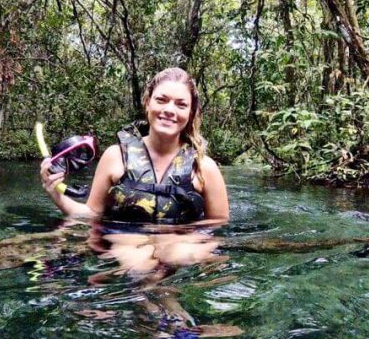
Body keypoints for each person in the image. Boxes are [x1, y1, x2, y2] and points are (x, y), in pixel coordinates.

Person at [40, 67, 229, 224]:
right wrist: (55, 193)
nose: (169, 110)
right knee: (137, 258)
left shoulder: (205, 167)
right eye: (161, 100)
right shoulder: (115, 156)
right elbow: (91, 214)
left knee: (180, 253)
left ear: (190, 112)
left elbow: (218, 228)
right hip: (127, 245)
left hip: (182, 248)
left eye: (181, 105)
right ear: (147, 103)